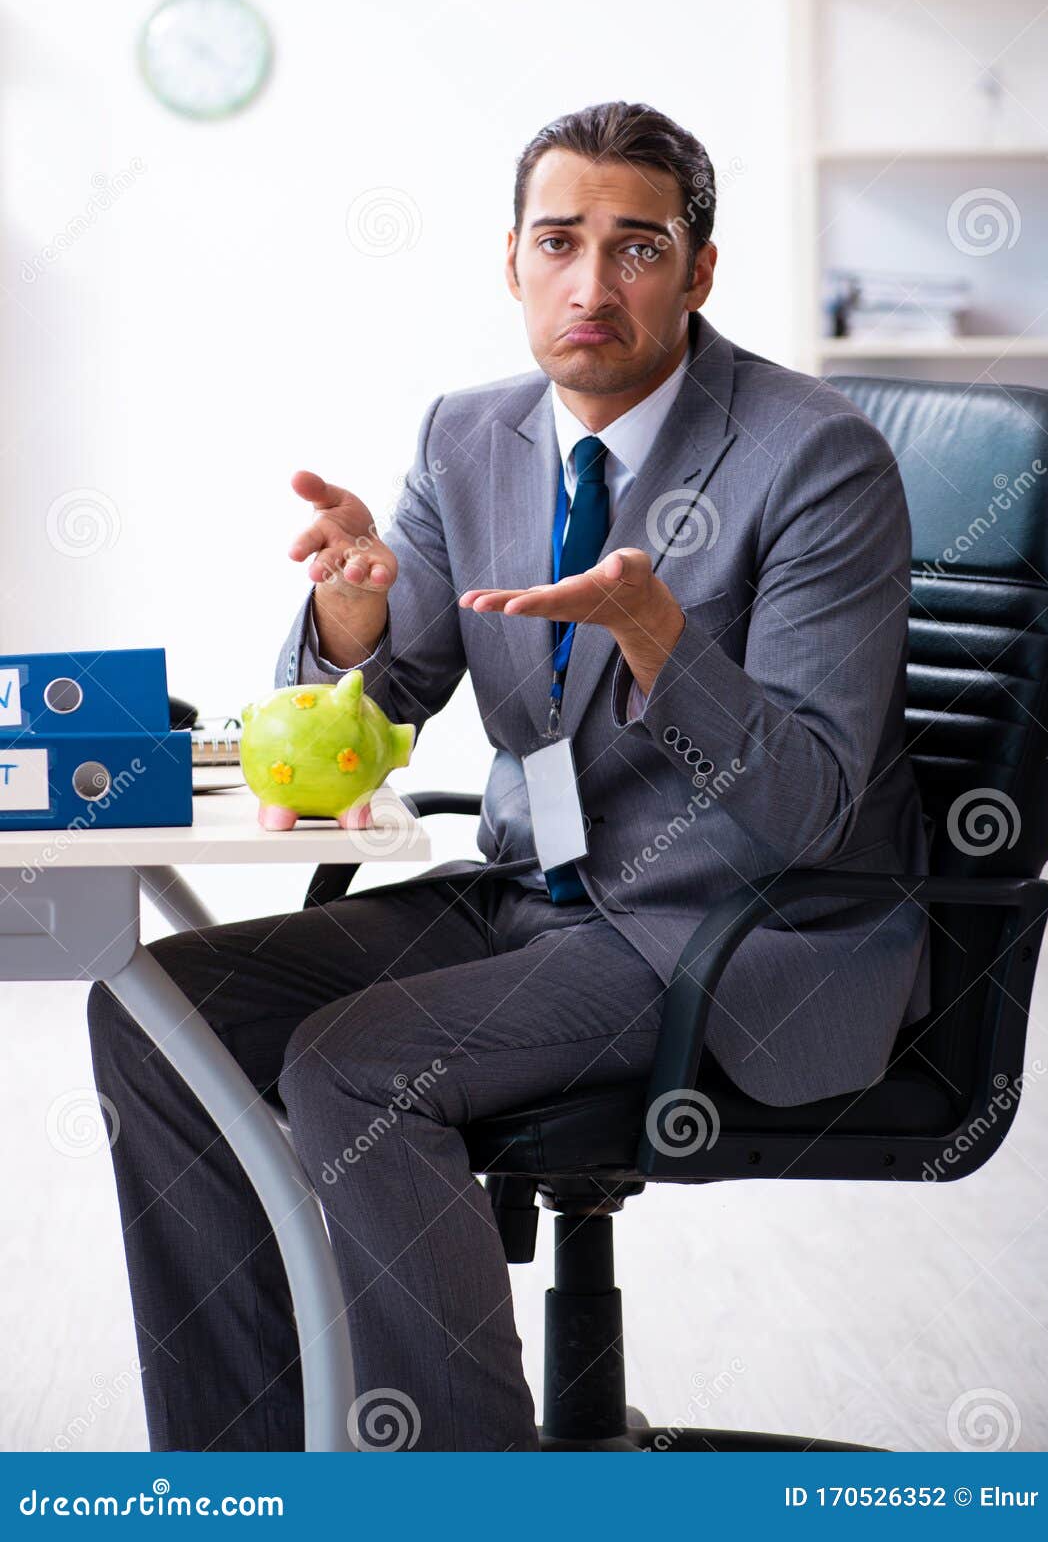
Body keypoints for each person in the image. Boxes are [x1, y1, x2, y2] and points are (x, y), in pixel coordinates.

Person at [87, 100, 930, 1452]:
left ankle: (467, 1497)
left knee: (358, 1063)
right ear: (514, 261)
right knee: (159, 1013)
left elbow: (810, 809)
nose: (593, 284)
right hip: (535, 889)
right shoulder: (468, 435)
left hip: (730, 927)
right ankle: (243, 1478)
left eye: (638, 247)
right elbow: (392, 703)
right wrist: (356, 622)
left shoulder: (813, 456)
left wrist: (661, 636)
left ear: (699, 270)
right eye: (561, 241)